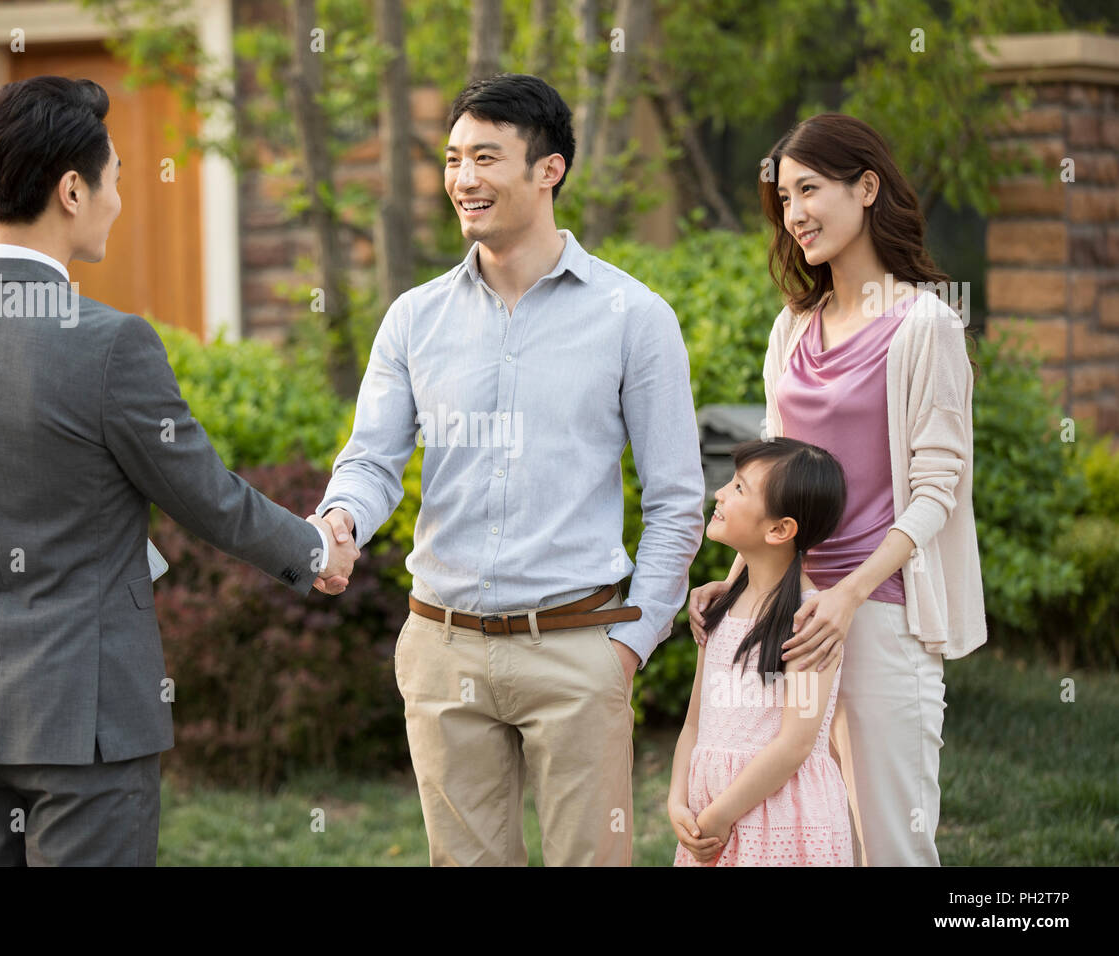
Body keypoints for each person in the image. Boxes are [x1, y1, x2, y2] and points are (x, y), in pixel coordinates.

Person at [0, 76, 357, 866]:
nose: (120, 199)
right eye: (116, 177)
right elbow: (206, 497)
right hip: (87, 730)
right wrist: (315, 549)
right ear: (71, 189)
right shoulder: (109, 343)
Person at [313, 72, 704, 866]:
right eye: (454, 159)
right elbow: (373, 459)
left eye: (485, 157)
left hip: (577, 644)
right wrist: (340, 517)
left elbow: (676, 499)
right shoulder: (414, 318)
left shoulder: (635, 318)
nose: (463, 179)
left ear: (548, 169)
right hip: (441, 645)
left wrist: (634, 639)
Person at [688, 113, 986, 866]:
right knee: (812, 837)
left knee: (891, 845)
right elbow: (775, 487)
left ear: (867, 187)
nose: (794, 215)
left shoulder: (926, 326)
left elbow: (935, 490)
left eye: (810, 189)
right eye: (784, 198)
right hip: (788, 617)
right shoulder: (793, 330)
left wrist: (849, 594)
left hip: (879, 616)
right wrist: (730, 587)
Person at [670, 438, 852, 866]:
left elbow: (795, 743)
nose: (719, 493)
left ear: (779, 529)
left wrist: (720, 813)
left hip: (782, 821)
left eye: (737, 488)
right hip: (710, 819)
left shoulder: (809, 622)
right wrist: (678, 801)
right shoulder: (719, 610)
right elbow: (694, 723)